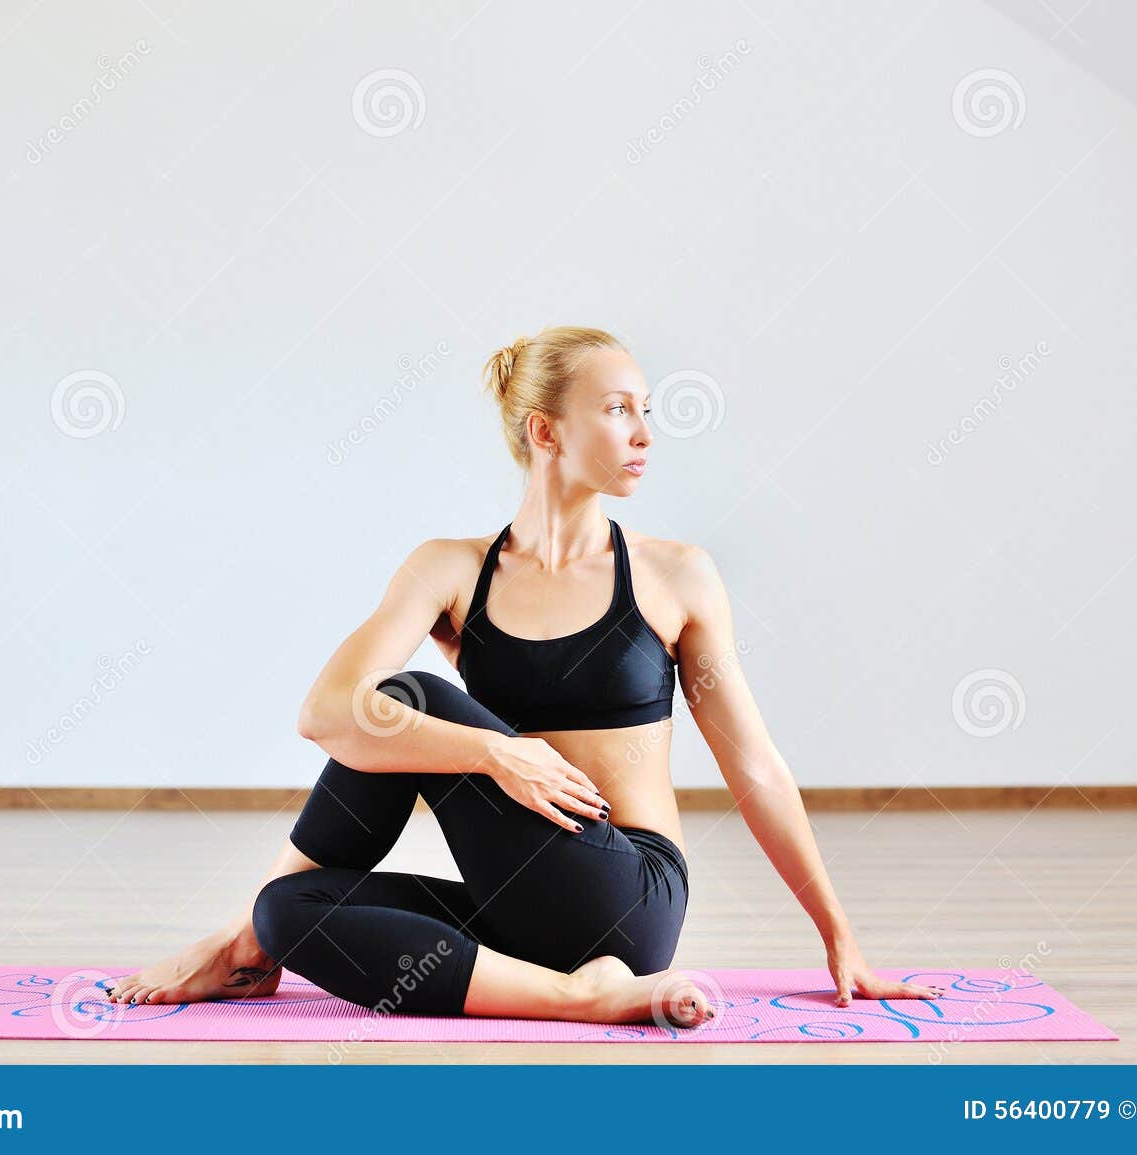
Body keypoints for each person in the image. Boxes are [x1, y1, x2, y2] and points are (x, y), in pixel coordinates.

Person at [106, 325, 945, 1024]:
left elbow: (754, 764)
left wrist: (839, 935)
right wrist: (497, 753)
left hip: (629, 895)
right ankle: (560, 993)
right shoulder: (451, 569)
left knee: (409, 698)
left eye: (646, 410)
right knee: (285, 909)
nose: (645, 433)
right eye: (617, 409)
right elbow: (326, 712)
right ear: (546, 432)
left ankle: (246, 951)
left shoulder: (675, 576)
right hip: (513, 910)